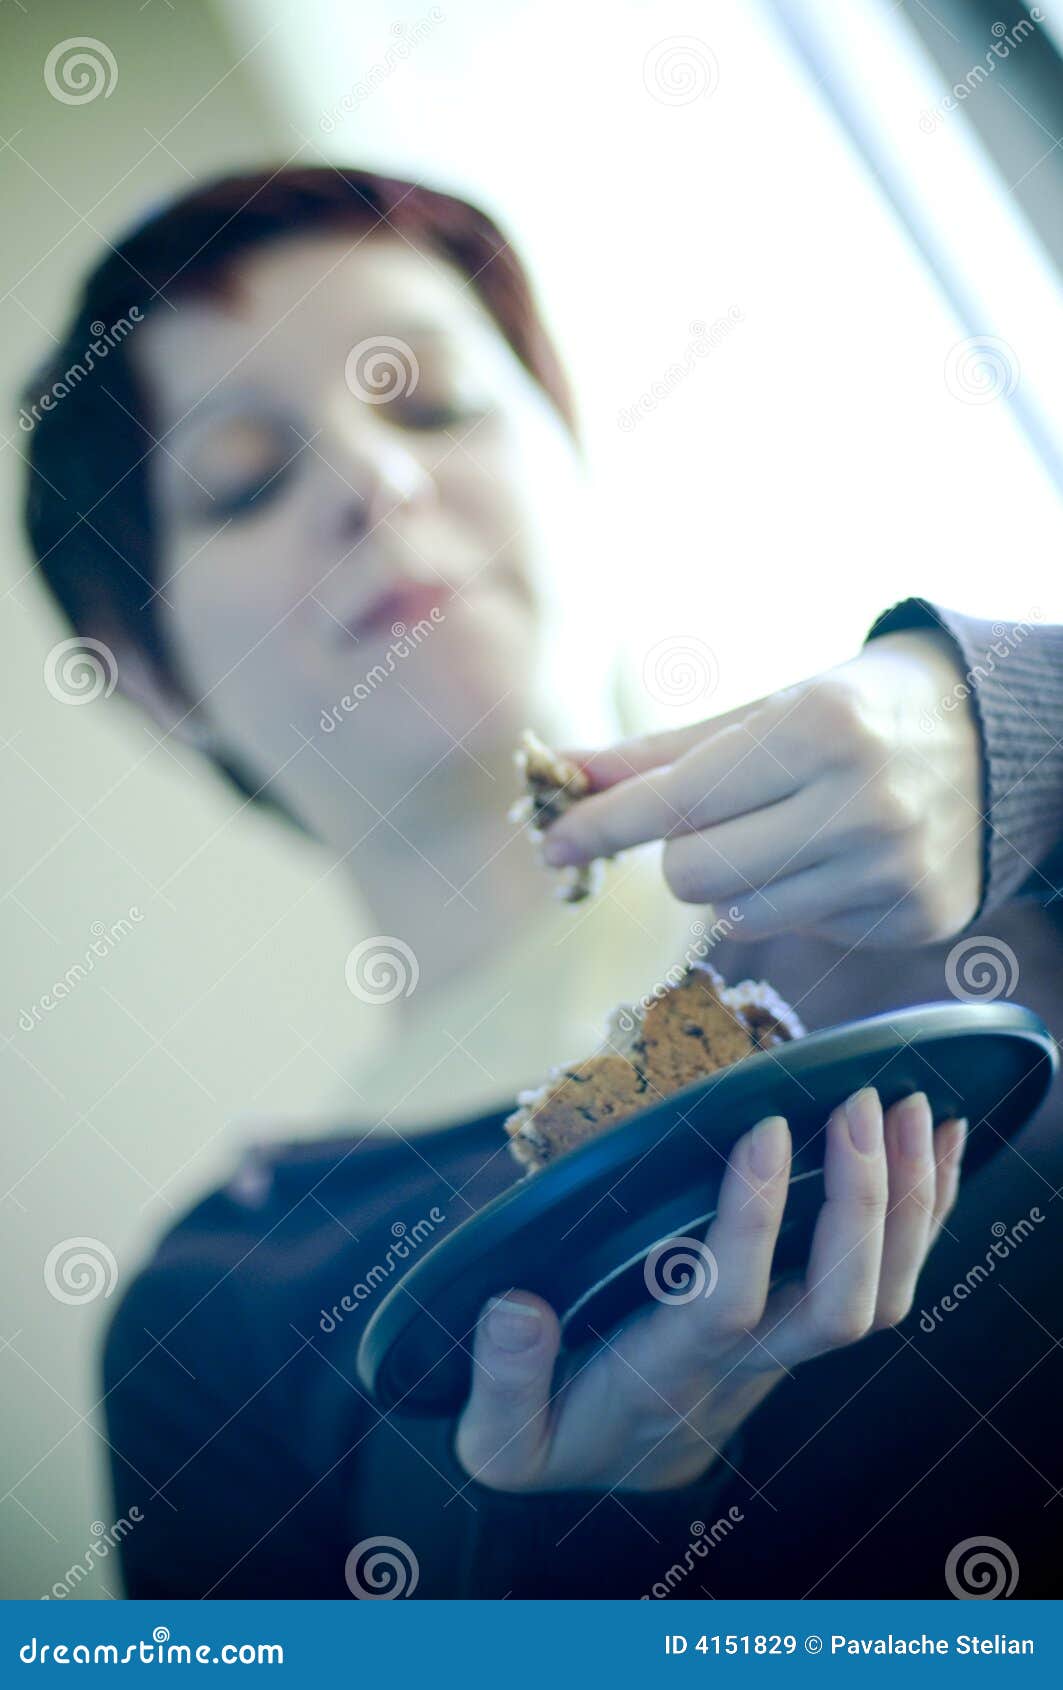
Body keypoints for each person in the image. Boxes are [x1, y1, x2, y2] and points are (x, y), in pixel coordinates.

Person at [22, 167, 1063, 1599]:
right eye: (245, 479)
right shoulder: (208, 1320)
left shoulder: (984, 870)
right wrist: (558, 1536)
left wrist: (1021, 727)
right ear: (148, 678)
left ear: (570, 465)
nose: (374, 482)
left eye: (434, 405)